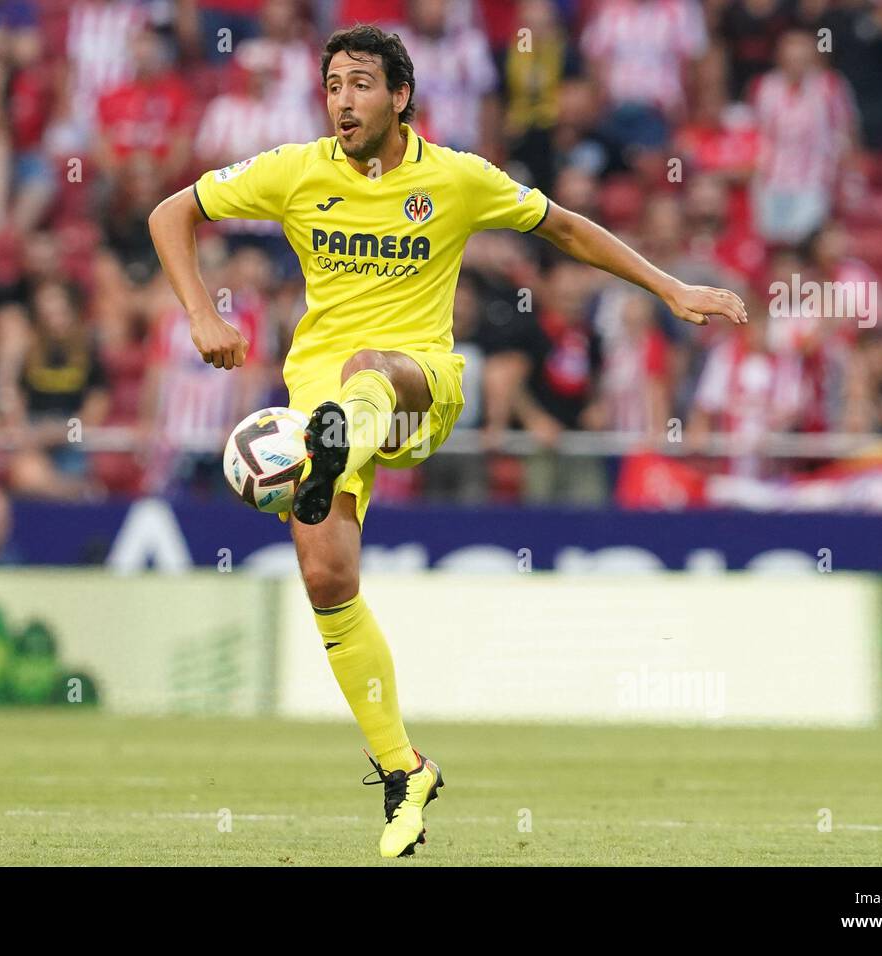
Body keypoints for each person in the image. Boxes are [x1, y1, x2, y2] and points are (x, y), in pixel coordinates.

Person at [148, 23, 746, 859]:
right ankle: (403, 767)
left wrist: (670, 284)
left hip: (417, 384)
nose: (342, 101)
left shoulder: (458, 179)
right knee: (327, 577)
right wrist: (202, 312)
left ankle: (331, 444)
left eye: (360, 84)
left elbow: (565, 228)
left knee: (370, 366)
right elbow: (171, 211)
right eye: (331, 86)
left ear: (400, 96)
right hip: (318, 400)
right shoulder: (293, 170)